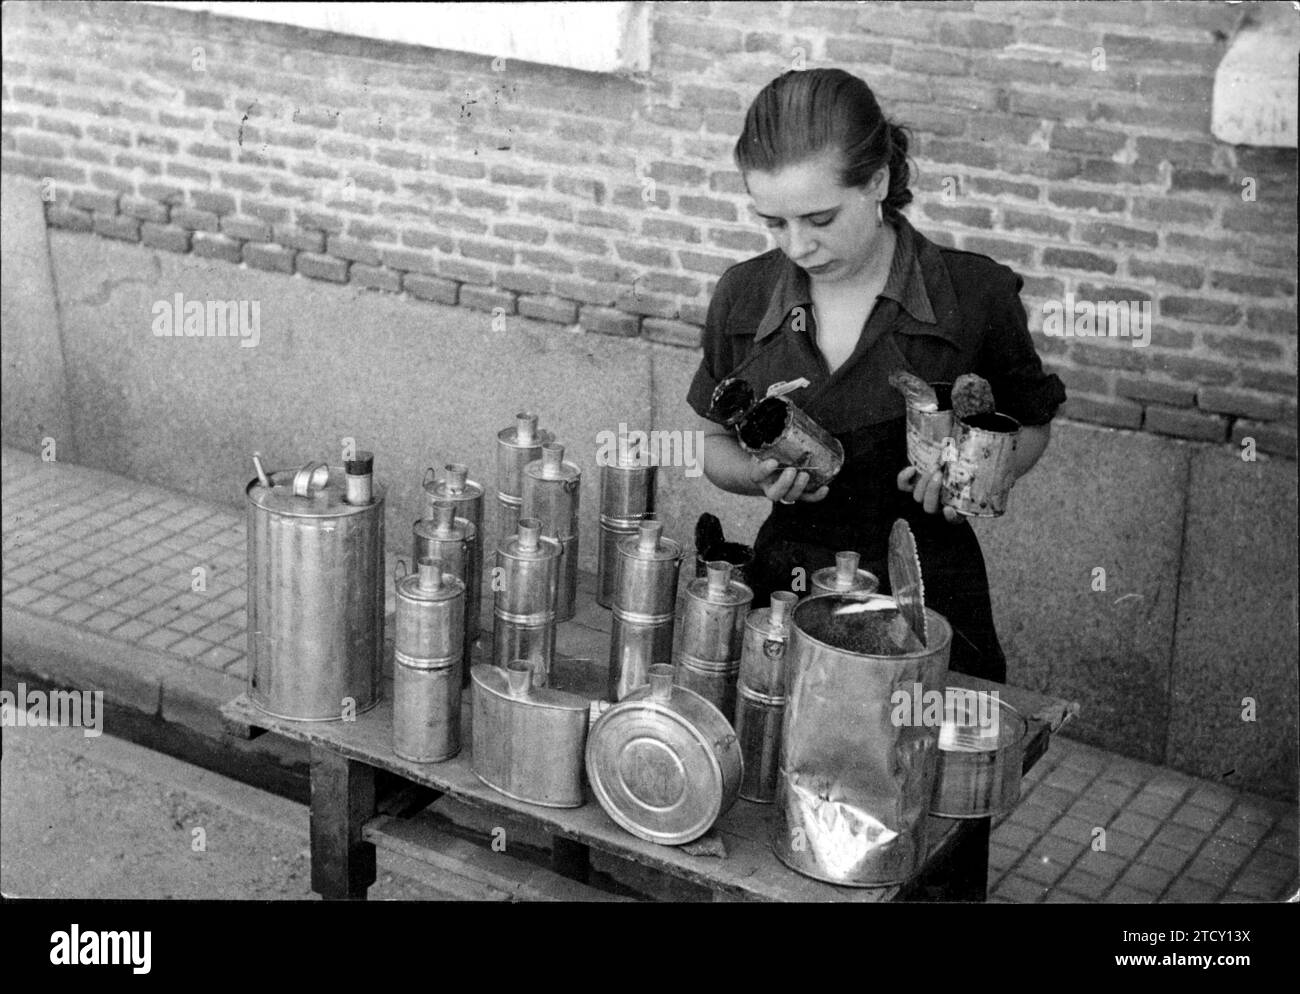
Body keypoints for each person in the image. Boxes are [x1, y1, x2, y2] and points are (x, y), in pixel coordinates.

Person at [686, 68, 1066, 900]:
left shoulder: (973, 296)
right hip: (786, 600)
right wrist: (754, 472)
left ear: (882, 181)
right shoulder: (744, 295)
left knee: (933, 830)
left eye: (820, 217)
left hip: (931, 595)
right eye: (772, 220)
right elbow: (712, 449)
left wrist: (981, 473)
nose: (797, 244)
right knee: (778, 824)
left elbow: (1031, 424)